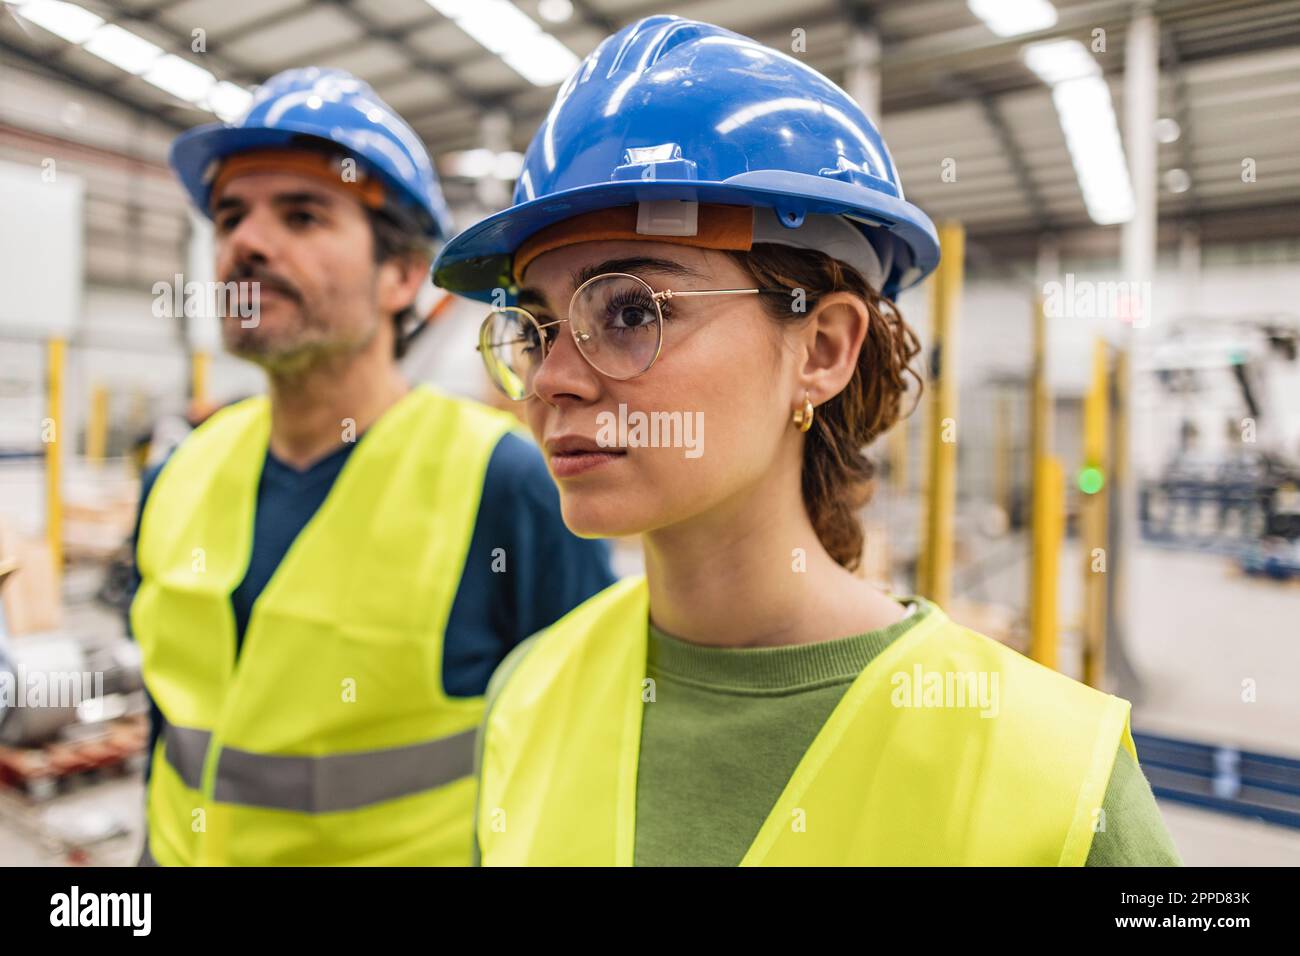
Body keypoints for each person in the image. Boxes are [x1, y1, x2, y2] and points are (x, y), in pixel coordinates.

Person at [434, 16, 1182, 866]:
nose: (551, 377)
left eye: (633, 310)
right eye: (535, 327)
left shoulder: (1057, 782)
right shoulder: (528, 695)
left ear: (822, 349)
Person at [131, 67, 614, 866]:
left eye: (302, 215)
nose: (246, 243)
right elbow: (170, 735)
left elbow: (583, 760)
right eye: (229, 217)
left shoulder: (503, 484)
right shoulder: (178, 473)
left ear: (399, 276)